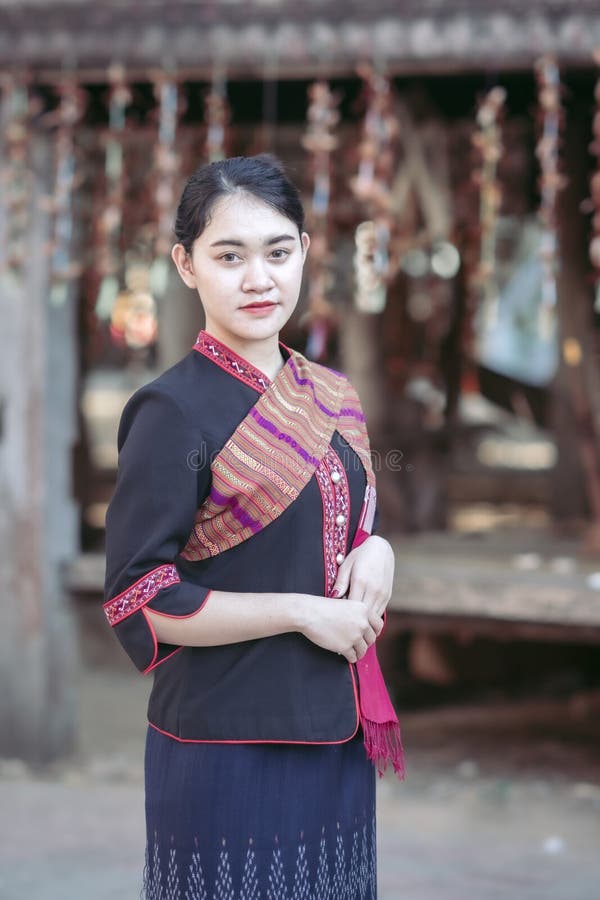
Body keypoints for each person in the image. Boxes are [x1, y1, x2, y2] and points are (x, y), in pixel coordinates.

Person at [103, 154, 403, 900]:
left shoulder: (330, 395)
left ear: (304, 251)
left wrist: (380, 550)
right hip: (223, 743)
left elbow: (342, 529)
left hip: (333, 733)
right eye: (229, 256)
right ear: (186, 264)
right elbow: (141, 595)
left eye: (277, 252)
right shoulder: (170, 412)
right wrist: (303, 614)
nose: (258, 278)